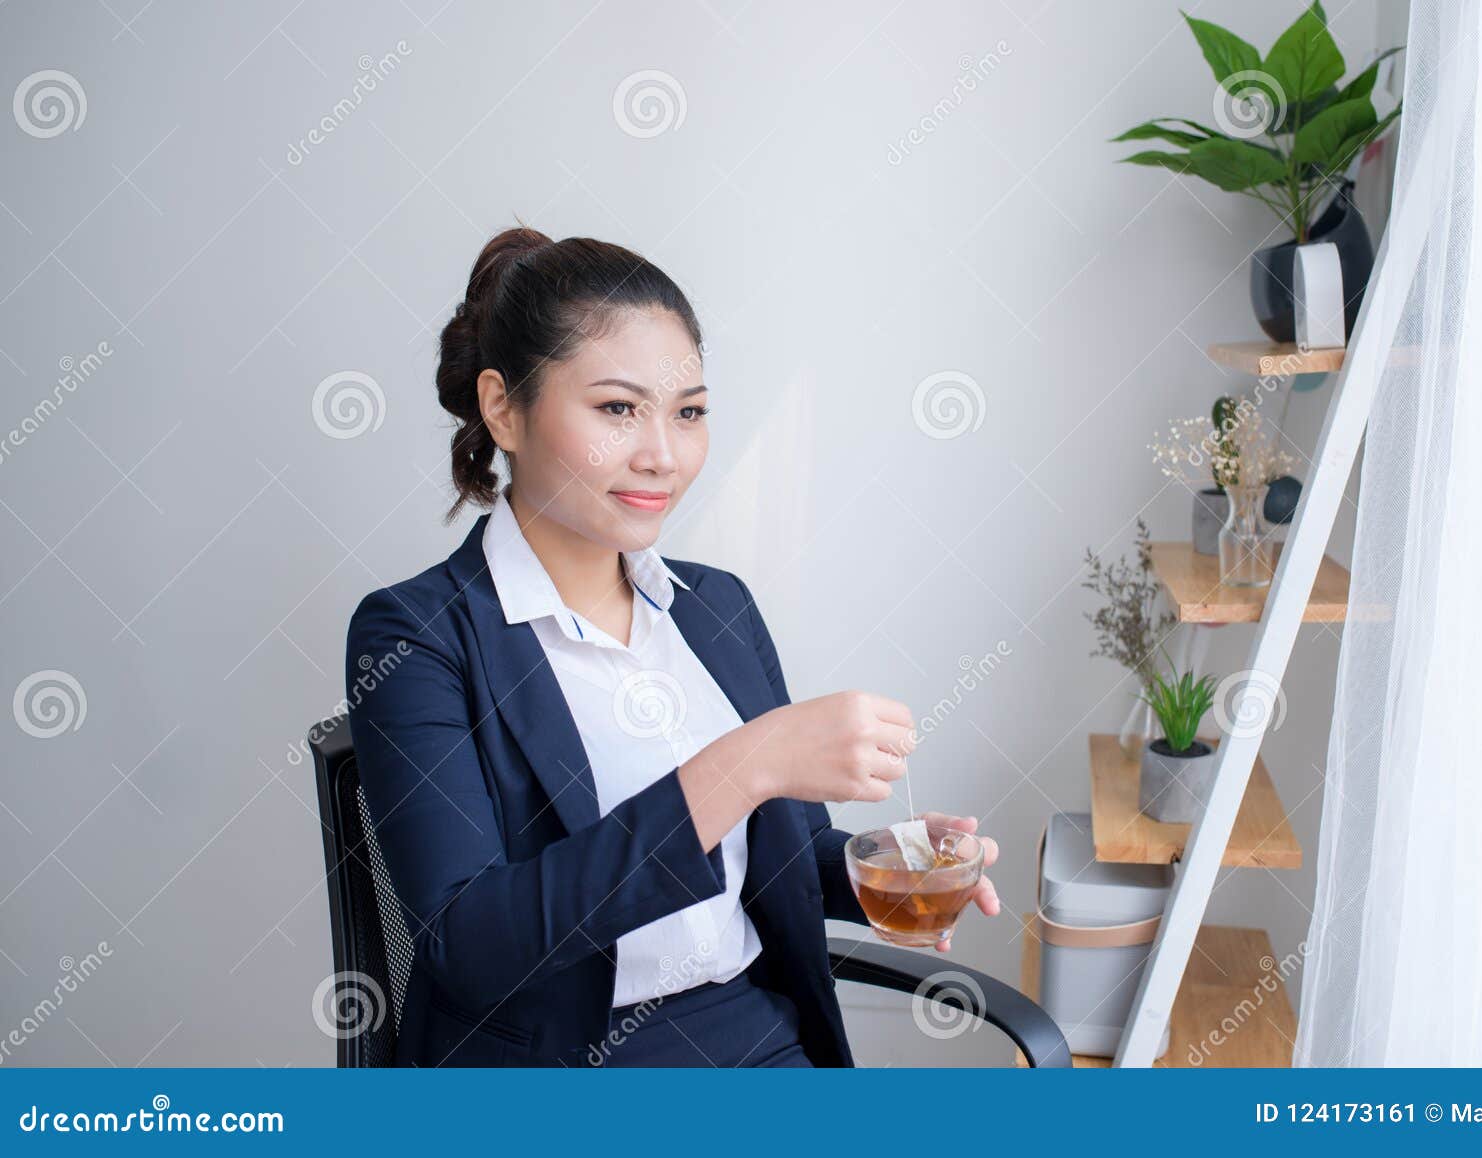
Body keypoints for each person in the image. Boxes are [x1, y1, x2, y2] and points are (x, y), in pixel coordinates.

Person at [345, 226, 1000, 1067]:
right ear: (503, 408)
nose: (662, 455)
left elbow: (776, 860)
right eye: (618, 409)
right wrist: (744, 765)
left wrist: (890, 868)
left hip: (757, 1037)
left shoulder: (715, 607)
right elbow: (468, 946)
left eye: (688, 413)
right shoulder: (418, 636)